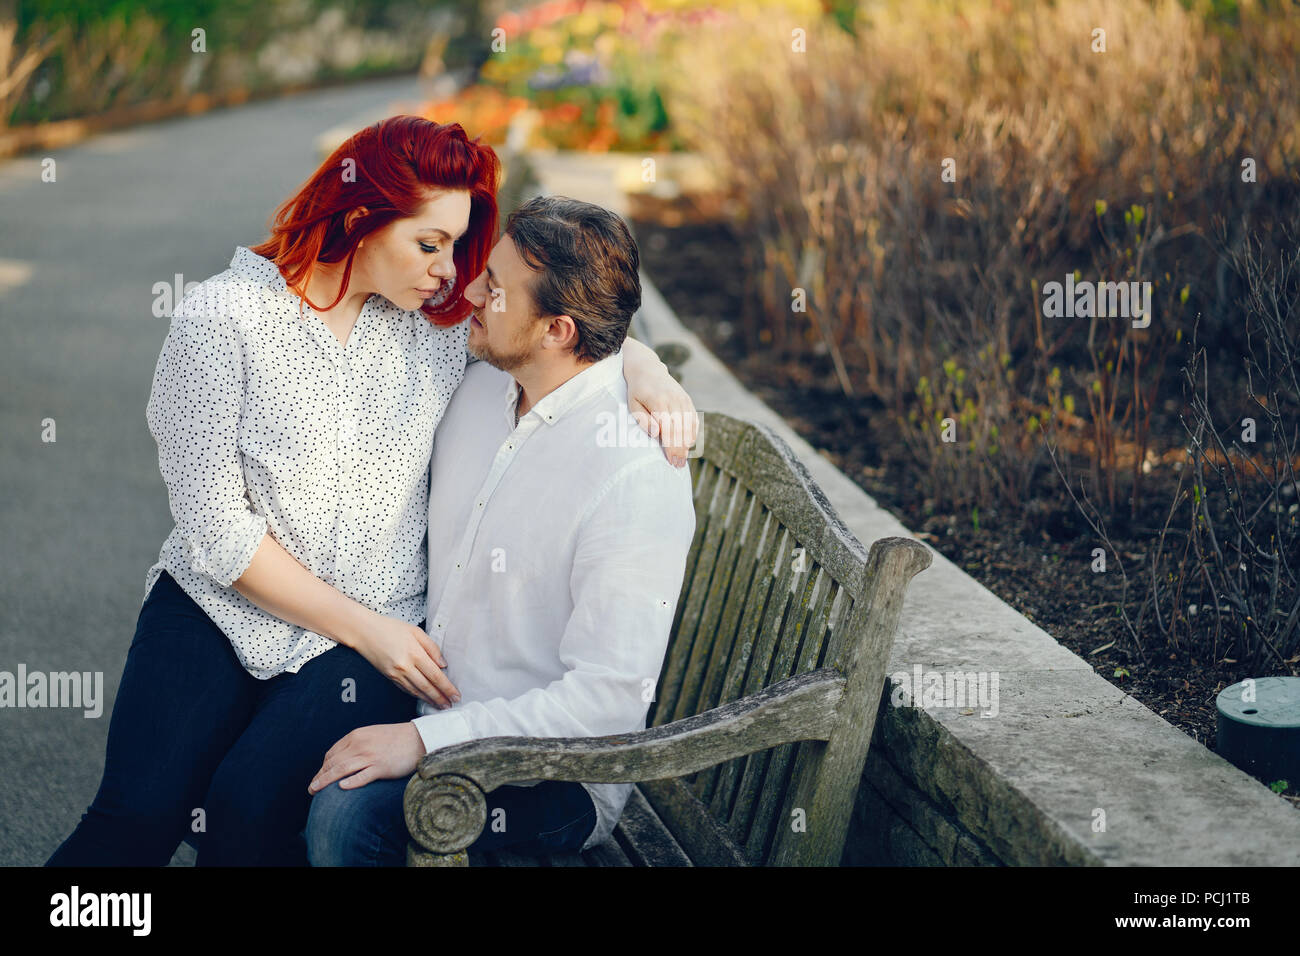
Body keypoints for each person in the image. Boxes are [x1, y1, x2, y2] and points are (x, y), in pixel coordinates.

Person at [45, 117, 697, 867]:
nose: (452, 273)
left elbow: (563, 337)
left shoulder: (436, 330)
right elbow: (218, 534)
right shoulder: (221, 321)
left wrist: (646, 369)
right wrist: (365, 629)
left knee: (244, 813)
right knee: (139, 815)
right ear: (359, 218)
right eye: (431, 245)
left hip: (366, 641)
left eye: (459, 247)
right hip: (224, 605)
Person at [304, 195, 697, 866]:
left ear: (556, 332)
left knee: (346, 818)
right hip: (425, 696)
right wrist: (642, 358)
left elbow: (606, 701)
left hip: (550, 772)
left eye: (495, 288)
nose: (469, 290)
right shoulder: (484, 380)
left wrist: (430, 744)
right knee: (247, 762)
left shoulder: (632, 472)